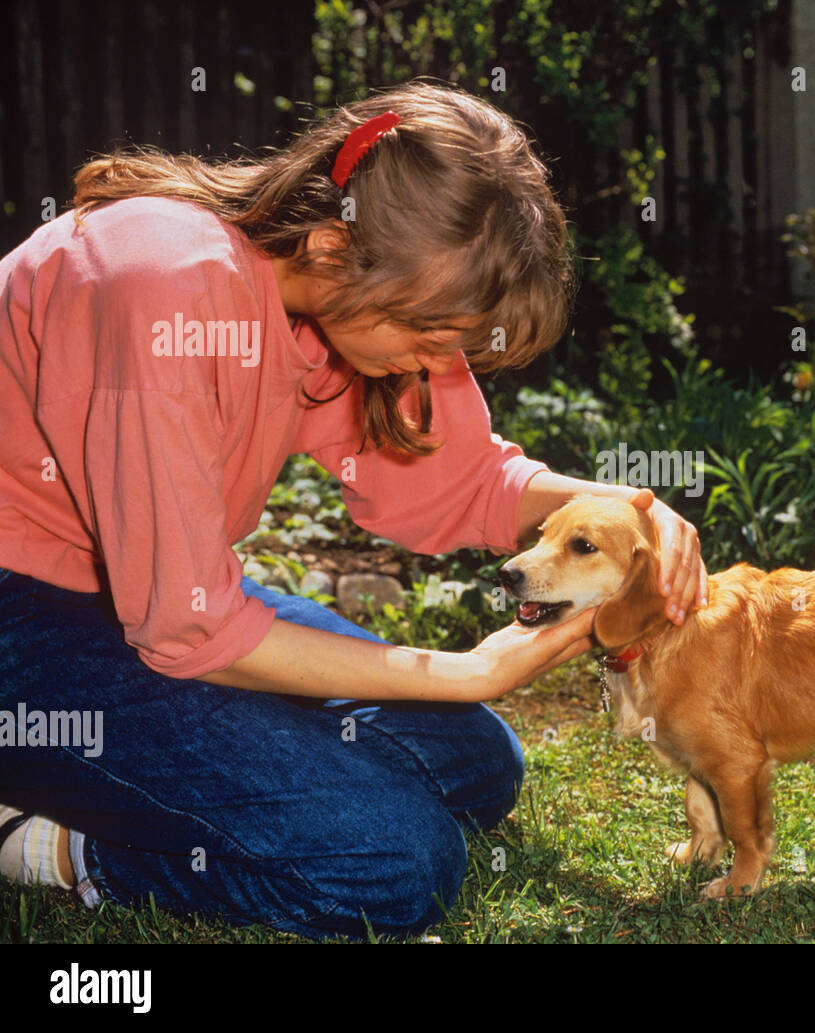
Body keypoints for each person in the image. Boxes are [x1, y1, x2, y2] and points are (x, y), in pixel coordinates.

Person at [0, 81, 707, 939]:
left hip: (142, 599)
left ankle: (132, 776)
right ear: (336, 248)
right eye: (435, 333)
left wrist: (635, 509)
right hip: (25, 616)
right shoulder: (163, 288)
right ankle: (48, 840)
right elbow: (189, 632)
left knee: (479, 762)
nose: (447, 362)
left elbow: (468, 483)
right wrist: (468, 672)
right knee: (392, 861)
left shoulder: (339, 306)